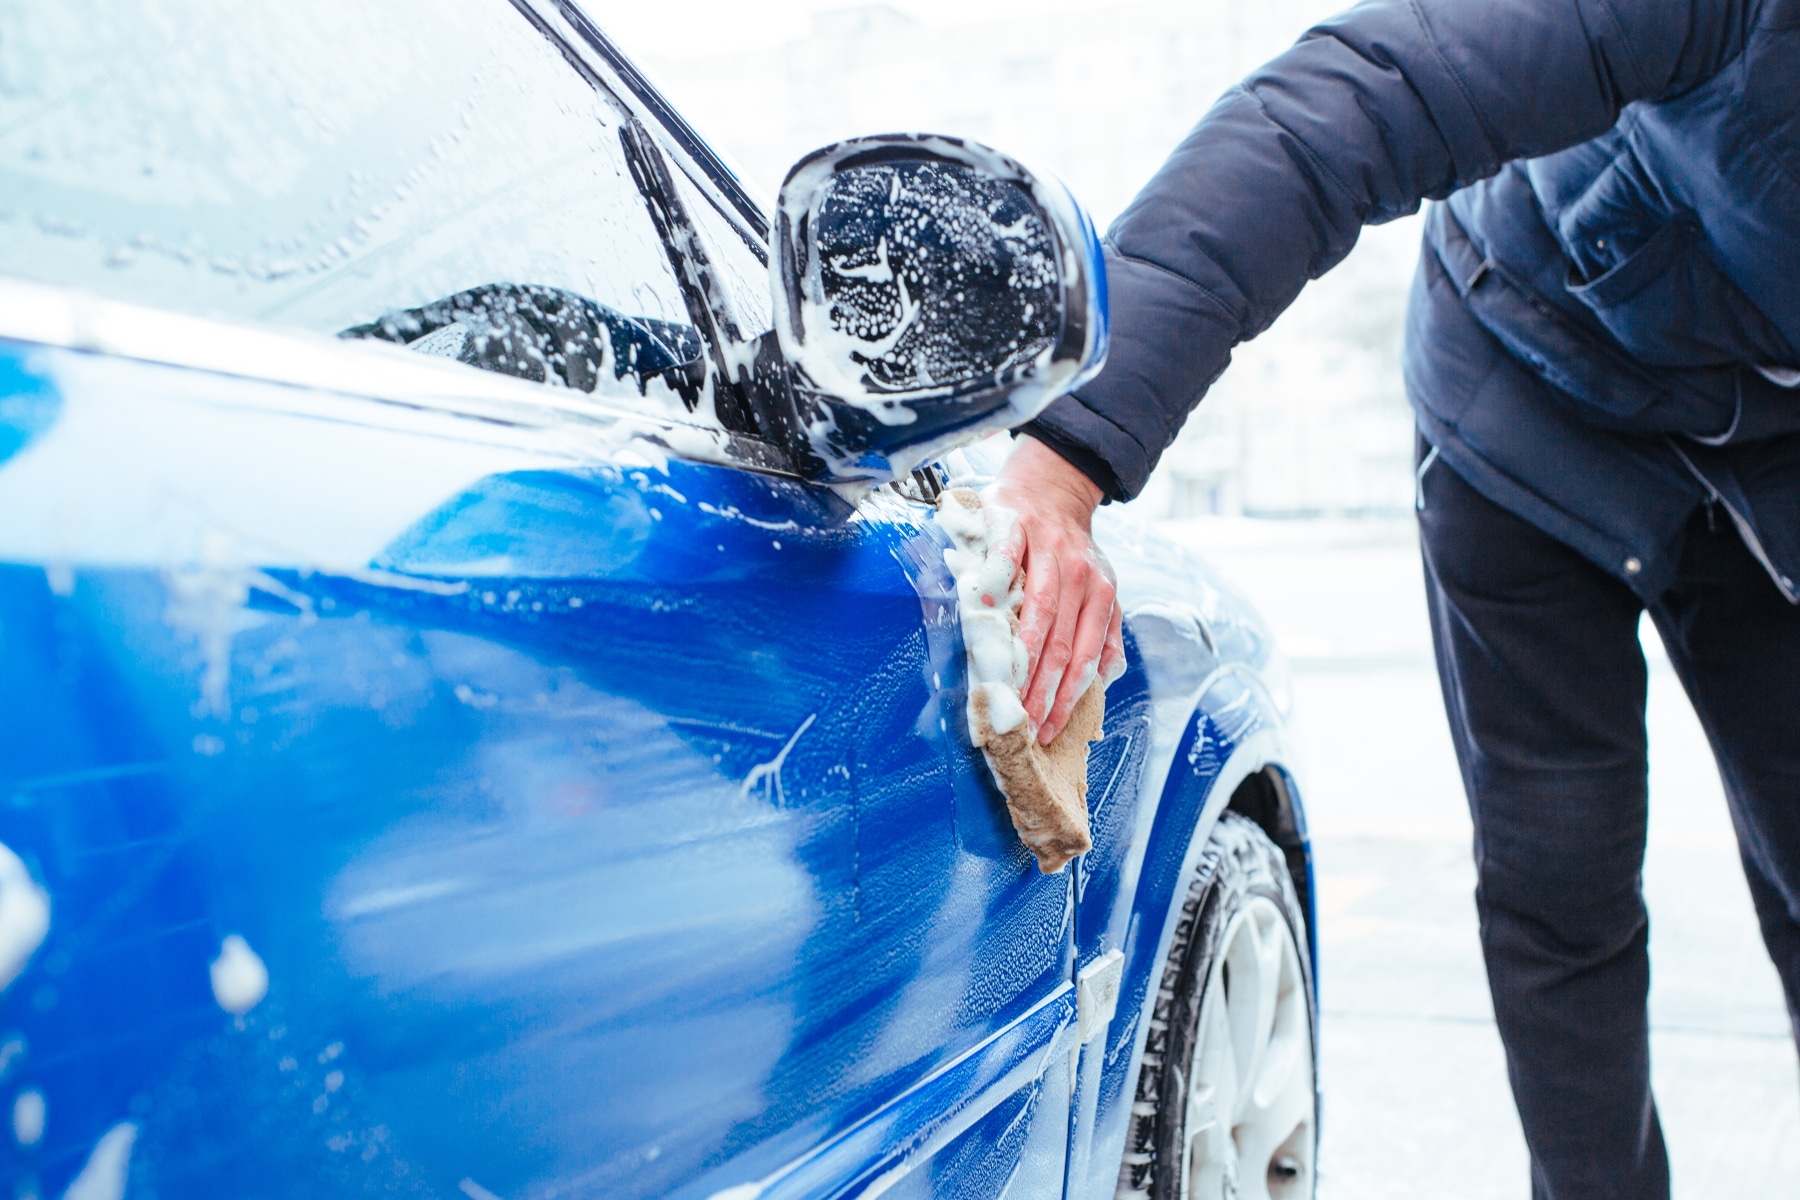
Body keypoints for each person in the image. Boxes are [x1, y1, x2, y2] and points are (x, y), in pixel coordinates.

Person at [990, 0, 1800, 1195]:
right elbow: (1352, 107)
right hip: (1531, 402)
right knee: (1562, 882)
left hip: (1771, 446)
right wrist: (1068, 453)